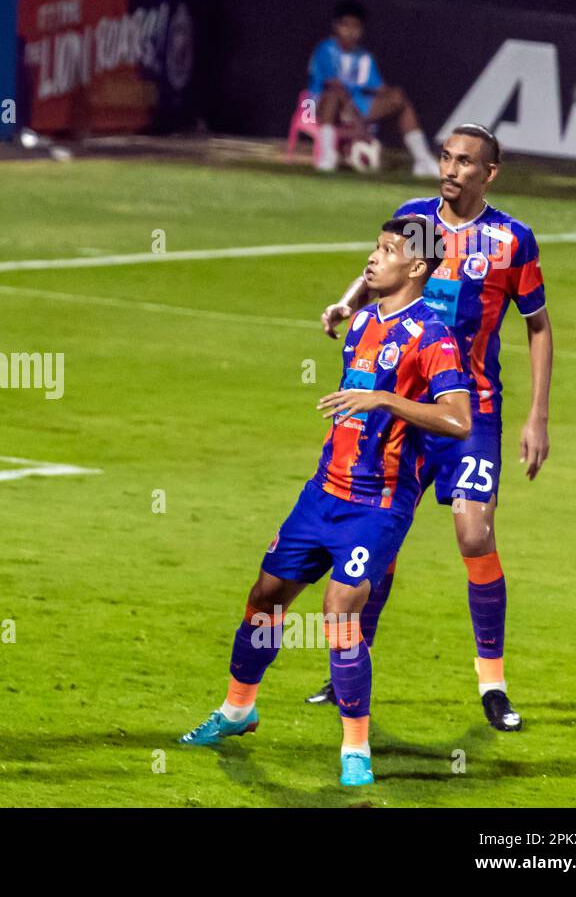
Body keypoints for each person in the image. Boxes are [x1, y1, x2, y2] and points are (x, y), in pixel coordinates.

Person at [179, 215, 471, 787]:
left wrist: (384, 398)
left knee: (339, 614)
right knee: (264, 599)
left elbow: (458, 419)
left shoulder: (433, 338)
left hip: (379, 504)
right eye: (375, 246)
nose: (373, 257)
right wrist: (343, 311)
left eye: (387, 250)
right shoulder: (363, 320)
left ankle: (355, 749)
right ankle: (238, 709)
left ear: (416, 267)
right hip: (321, 493)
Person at [309, 123, 552, 732]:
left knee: (473, 533)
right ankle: (348, 665)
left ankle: (492, 683)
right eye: (446, 156)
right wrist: (347, 303)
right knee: (379, 536)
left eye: (465, 161)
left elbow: (539, 326)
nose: (450, 168)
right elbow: (381, 275)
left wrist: (538, 416)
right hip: (401, 408)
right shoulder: (416, 219)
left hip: (471, 411)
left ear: (488, 173)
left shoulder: (510, 239)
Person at [307, 0, 436, 177]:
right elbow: (334, 86)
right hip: (320, 105)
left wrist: (393, 94)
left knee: (400, 100)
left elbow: (377, 87)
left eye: (356, 27)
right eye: (346, 26)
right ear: (336, 26)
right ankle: (327, 156)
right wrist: (356, 120)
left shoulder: (364, 56)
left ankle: (422, 160)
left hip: (356, 104)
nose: (351, 32)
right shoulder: (325, 49)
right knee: (332, 97)